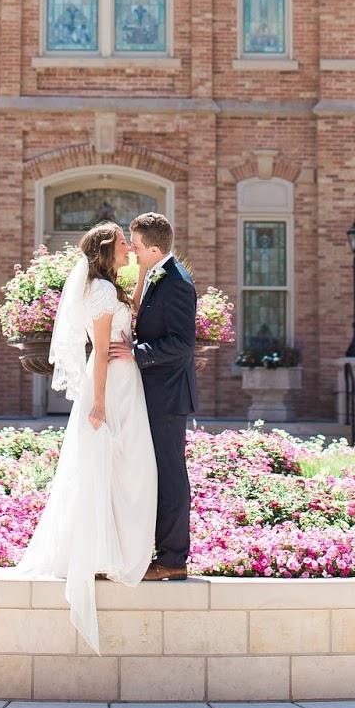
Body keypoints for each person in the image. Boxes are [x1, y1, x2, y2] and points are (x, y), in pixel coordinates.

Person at [2, 222, 156, 652]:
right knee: (106, 464)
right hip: (112, 385)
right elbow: (102, 351)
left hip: (125, 382)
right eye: (125, 243)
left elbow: (133, 321)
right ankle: (100, 553)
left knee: (119, 463)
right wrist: (100, 402)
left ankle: (110, 547)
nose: (130, 246)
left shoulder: (109, 286)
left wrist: (142, 276)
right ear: (109, 250)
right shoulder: (102, 293)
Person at [109, 211, 197, 581]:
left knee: (171, 476)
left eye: (138, 246)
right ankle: (149, 551)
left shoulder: (177, 282)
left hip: (167, 396)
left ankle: (173, 559)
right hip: (149, 392)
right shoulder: (154, 275)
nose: (133, 251)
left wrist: (137, 353)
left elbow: (182, 343)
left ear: (156, 248)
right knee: (151, 472)